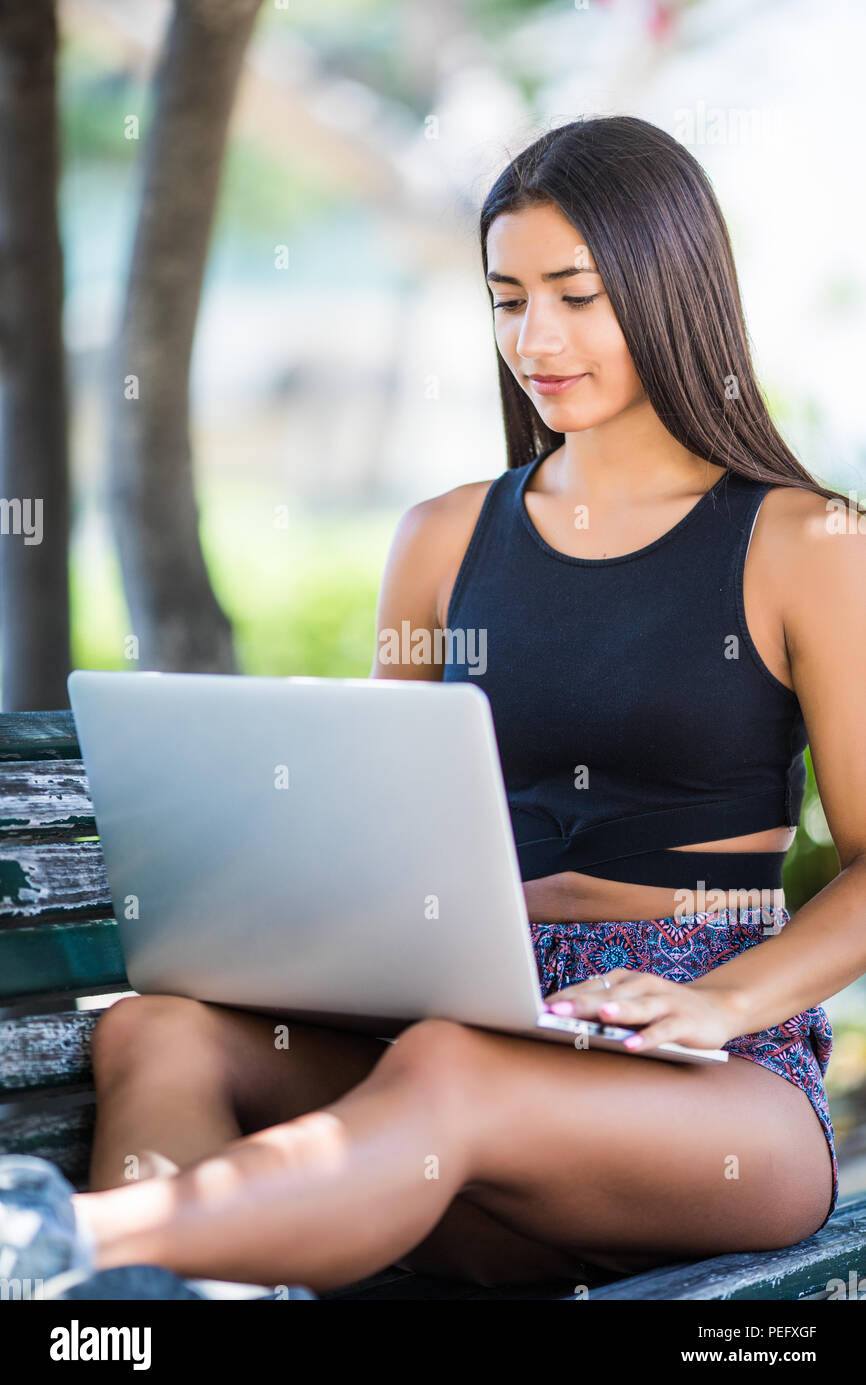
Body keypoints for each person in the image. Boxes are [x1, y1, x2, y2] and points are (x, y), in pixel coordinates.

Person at [3, 115, 865, 1297]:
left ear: (671, 293)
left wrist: (715, 1000)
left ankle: (68, 1248)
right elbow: (375, 827)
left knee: (447, 1067)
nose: (533, 337)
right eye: (507, 298)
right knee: (158, 1030)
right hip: (459, 1048)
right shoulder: (442, 538)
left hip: (713, 1096)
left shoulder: (804, 541)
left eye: (575, 295)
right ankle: (127, 1313)